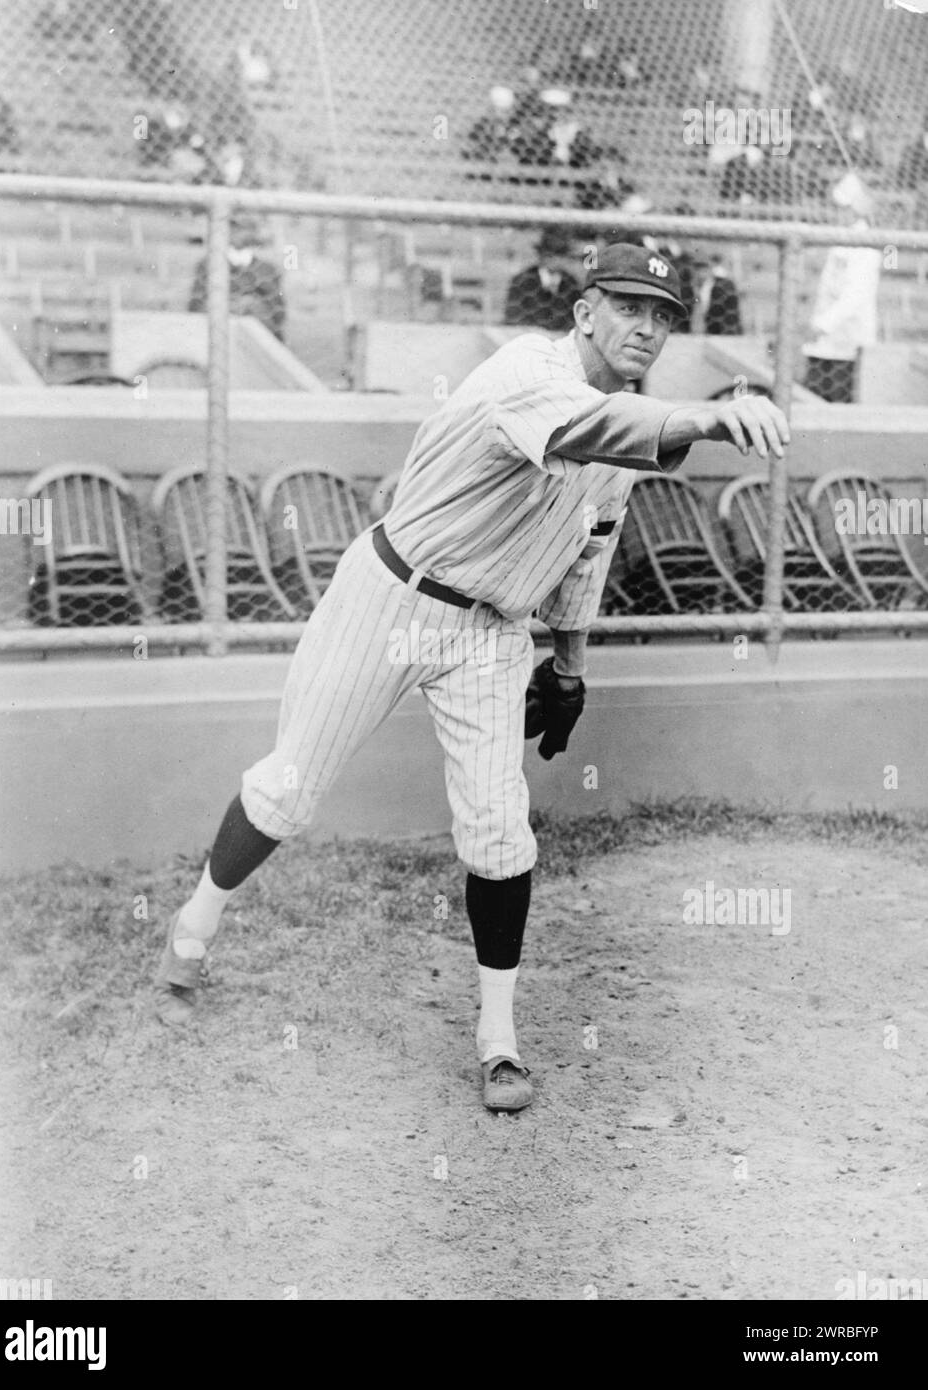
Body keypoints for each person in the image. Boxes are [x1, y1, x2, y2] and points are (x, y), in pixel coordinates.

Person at [153, 244, 789, 1113]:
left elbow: (586, 556)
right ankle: (195, 923)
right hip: (391, 594)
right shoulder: (527, 371)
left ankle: (498, 1041)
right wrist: (710, 419)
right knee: (287, 790)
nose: (646, 327)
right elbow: (589, 429)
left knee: (498, 833)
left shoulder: (624, 435)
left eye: (663, 316)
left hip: (490, 629)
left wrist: (567, 667)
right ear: (583, 313)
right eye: (627, 307)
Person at [802, 173, 880, 403]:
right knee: (813, 401)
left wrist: (822, 325)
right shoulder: (842, 237)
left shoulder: (864, 243)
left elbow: (855, 296)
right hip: (824, 341)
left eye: (842, 207)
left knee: (835, 402)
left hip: (846, 341)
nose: (836, 212)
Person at [188, 216, 285, 342]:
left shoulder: (267, 269)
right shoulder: (208, 265)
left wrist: (251, 303)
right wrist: (226, 305)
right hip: (216, 332)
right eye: (232, 227)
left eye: (242, 228)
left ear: (253, 232)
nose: (236, 232)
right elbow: (195, 307)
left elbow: (278, 314)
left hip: (255, 337)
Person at [504, 227, 581, 330]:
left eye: (558, 254)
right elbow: (513, 318)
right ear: (540, 255)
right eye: (548, 254)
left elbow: (576, 321)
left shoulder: (571, 284)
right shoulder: (522, 281)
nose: (553, 259)